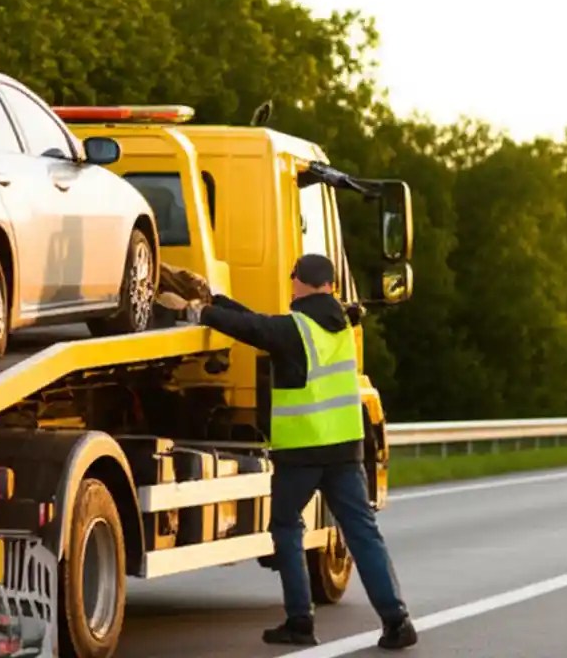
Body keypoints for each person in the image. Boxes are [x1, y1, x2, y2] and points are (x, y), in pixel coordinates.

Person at [166, 253, 418, 650]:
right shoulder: (341, 325)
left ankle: (300, 621)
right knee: (363, 533)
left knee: (286, 528)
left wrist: (201, 313)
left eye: (293, 279)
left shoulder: (295, 329)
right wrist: (217, 300)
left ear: (298, 282)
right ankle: (397, 621)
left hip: (302, 451)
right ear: (331, 286)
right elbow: (260, 325)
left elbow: (256, 329)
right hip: (345, 450)